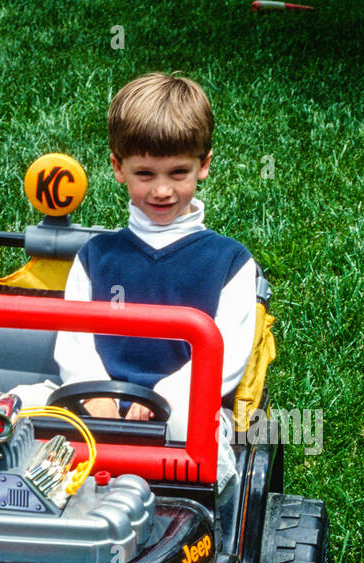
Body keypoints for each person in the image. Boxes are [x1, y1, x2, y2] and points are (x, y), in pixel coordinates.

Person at [52, 72, 256, 491]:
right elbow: (73, 342)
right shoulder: (95, 256)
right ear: (117, 167)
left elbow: (224, 358)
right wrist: (95, 394)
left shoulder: (230, 262)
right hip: (96, 399)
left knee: (188, 425)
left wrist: (164, 398)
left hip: (184, 405)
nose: (162, 190)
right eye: (145, 174)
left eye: (178, 172)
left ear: (204, 166)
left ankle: (205, 520)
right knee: (18, 403)